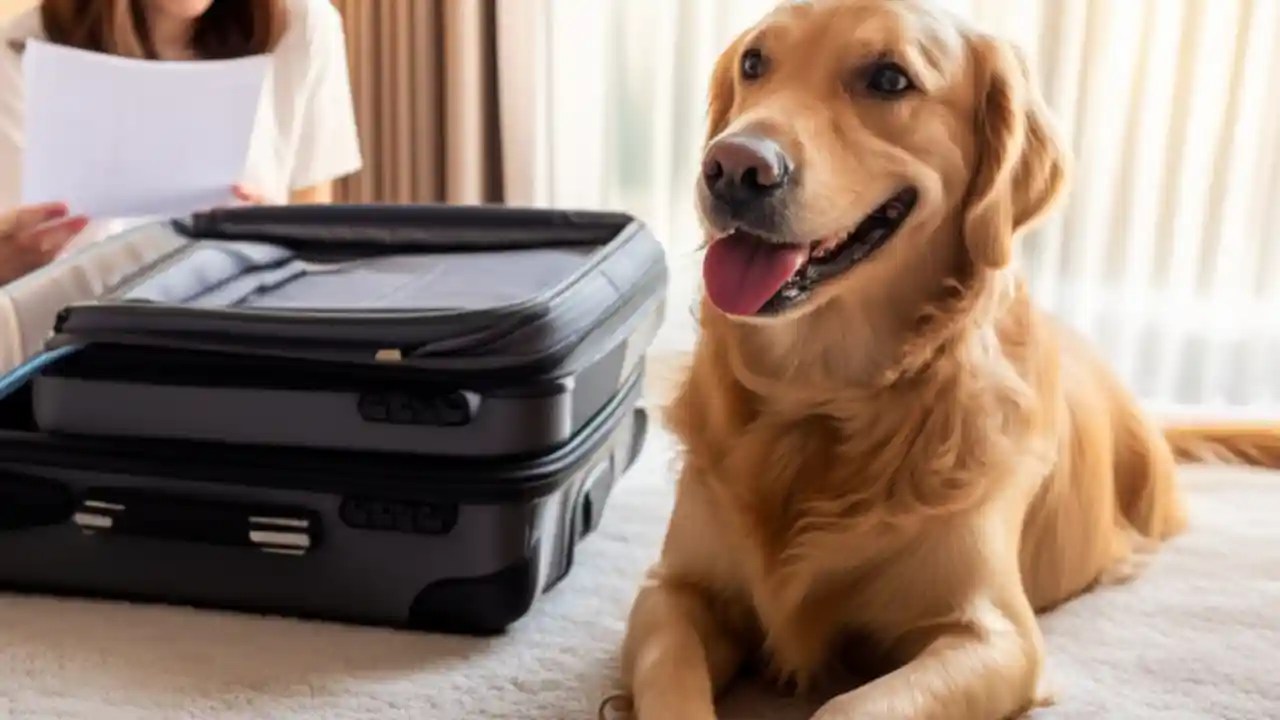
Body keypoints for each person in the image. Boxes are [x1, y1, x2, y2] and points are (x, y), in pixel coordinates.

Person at [0, 0, 363, 283]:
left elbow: (316, 249)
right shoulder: (20, 53)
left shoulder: (302, 27)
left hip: (244, 338)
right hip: (75, 351)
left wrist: (274, 239)